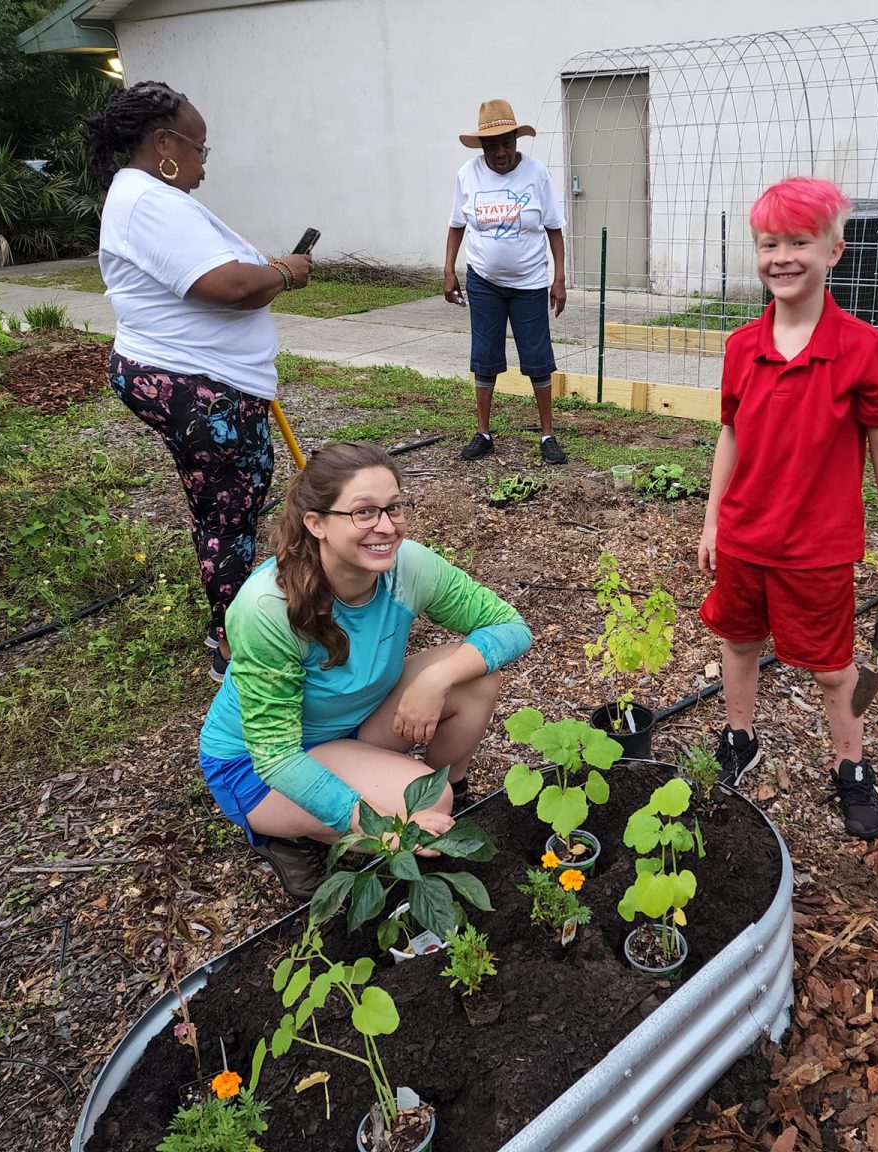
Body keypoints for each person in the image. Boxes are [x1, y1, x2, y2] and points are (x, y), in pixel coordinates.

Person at [198, 442, 532, 900]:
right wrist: (373, 822)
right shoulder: (268, 610)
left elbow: (511, 627)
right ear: (316, 523)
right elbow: (275, 755)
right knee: (423, 804)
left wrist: (437, 678)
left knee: (472, 676)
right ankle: (287, 834)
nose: (386, 527)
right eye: (363, 512)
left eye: (393, 508)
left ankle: (450, 796)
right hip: (259, 766)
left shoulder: (408, 567)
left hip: (350, 726)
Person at [697, 177, 878, 841]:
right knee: (737, 641)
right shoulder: (743, 345)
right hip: (744, 538)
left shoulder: (860, 347)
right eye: (770, 243)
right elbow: (732, 434)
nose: (783, 257)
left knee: (831, 667)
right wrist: (713, 520)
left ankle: (850, 766)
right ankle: (740, 737)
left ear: (834, 251)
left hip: (817, 547)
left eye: (801, 241)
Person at [86, 80, 314, 682]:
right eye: (199, 150)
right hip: (195, 383)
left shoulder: (150, 198)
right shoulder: (146, 202)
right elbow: (232, 289)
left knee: (235, 503)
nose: (203, 166)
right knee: (227, 513)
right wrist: (283, 275)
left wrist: (260, 269)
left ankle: (244, 626)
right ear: (165, 143)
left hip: (207, 379)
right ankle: (235, 648)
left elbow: (213, 271)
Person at [443, 99, 569, 465]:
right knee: (484, 358)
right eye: (491, 145)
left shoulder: (536, 174)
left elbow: (554, 229)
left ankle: (547, 434)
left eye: (506, 143)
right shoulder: (467, 175)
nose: (500, 152)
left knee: (537, 359)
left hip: (530, 283)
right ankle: (483, 433)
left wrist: (558, 278)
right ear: (482, 147)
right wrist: (449, 269)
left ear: (516, 140)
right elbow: (456, 225)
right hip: (484, 283)